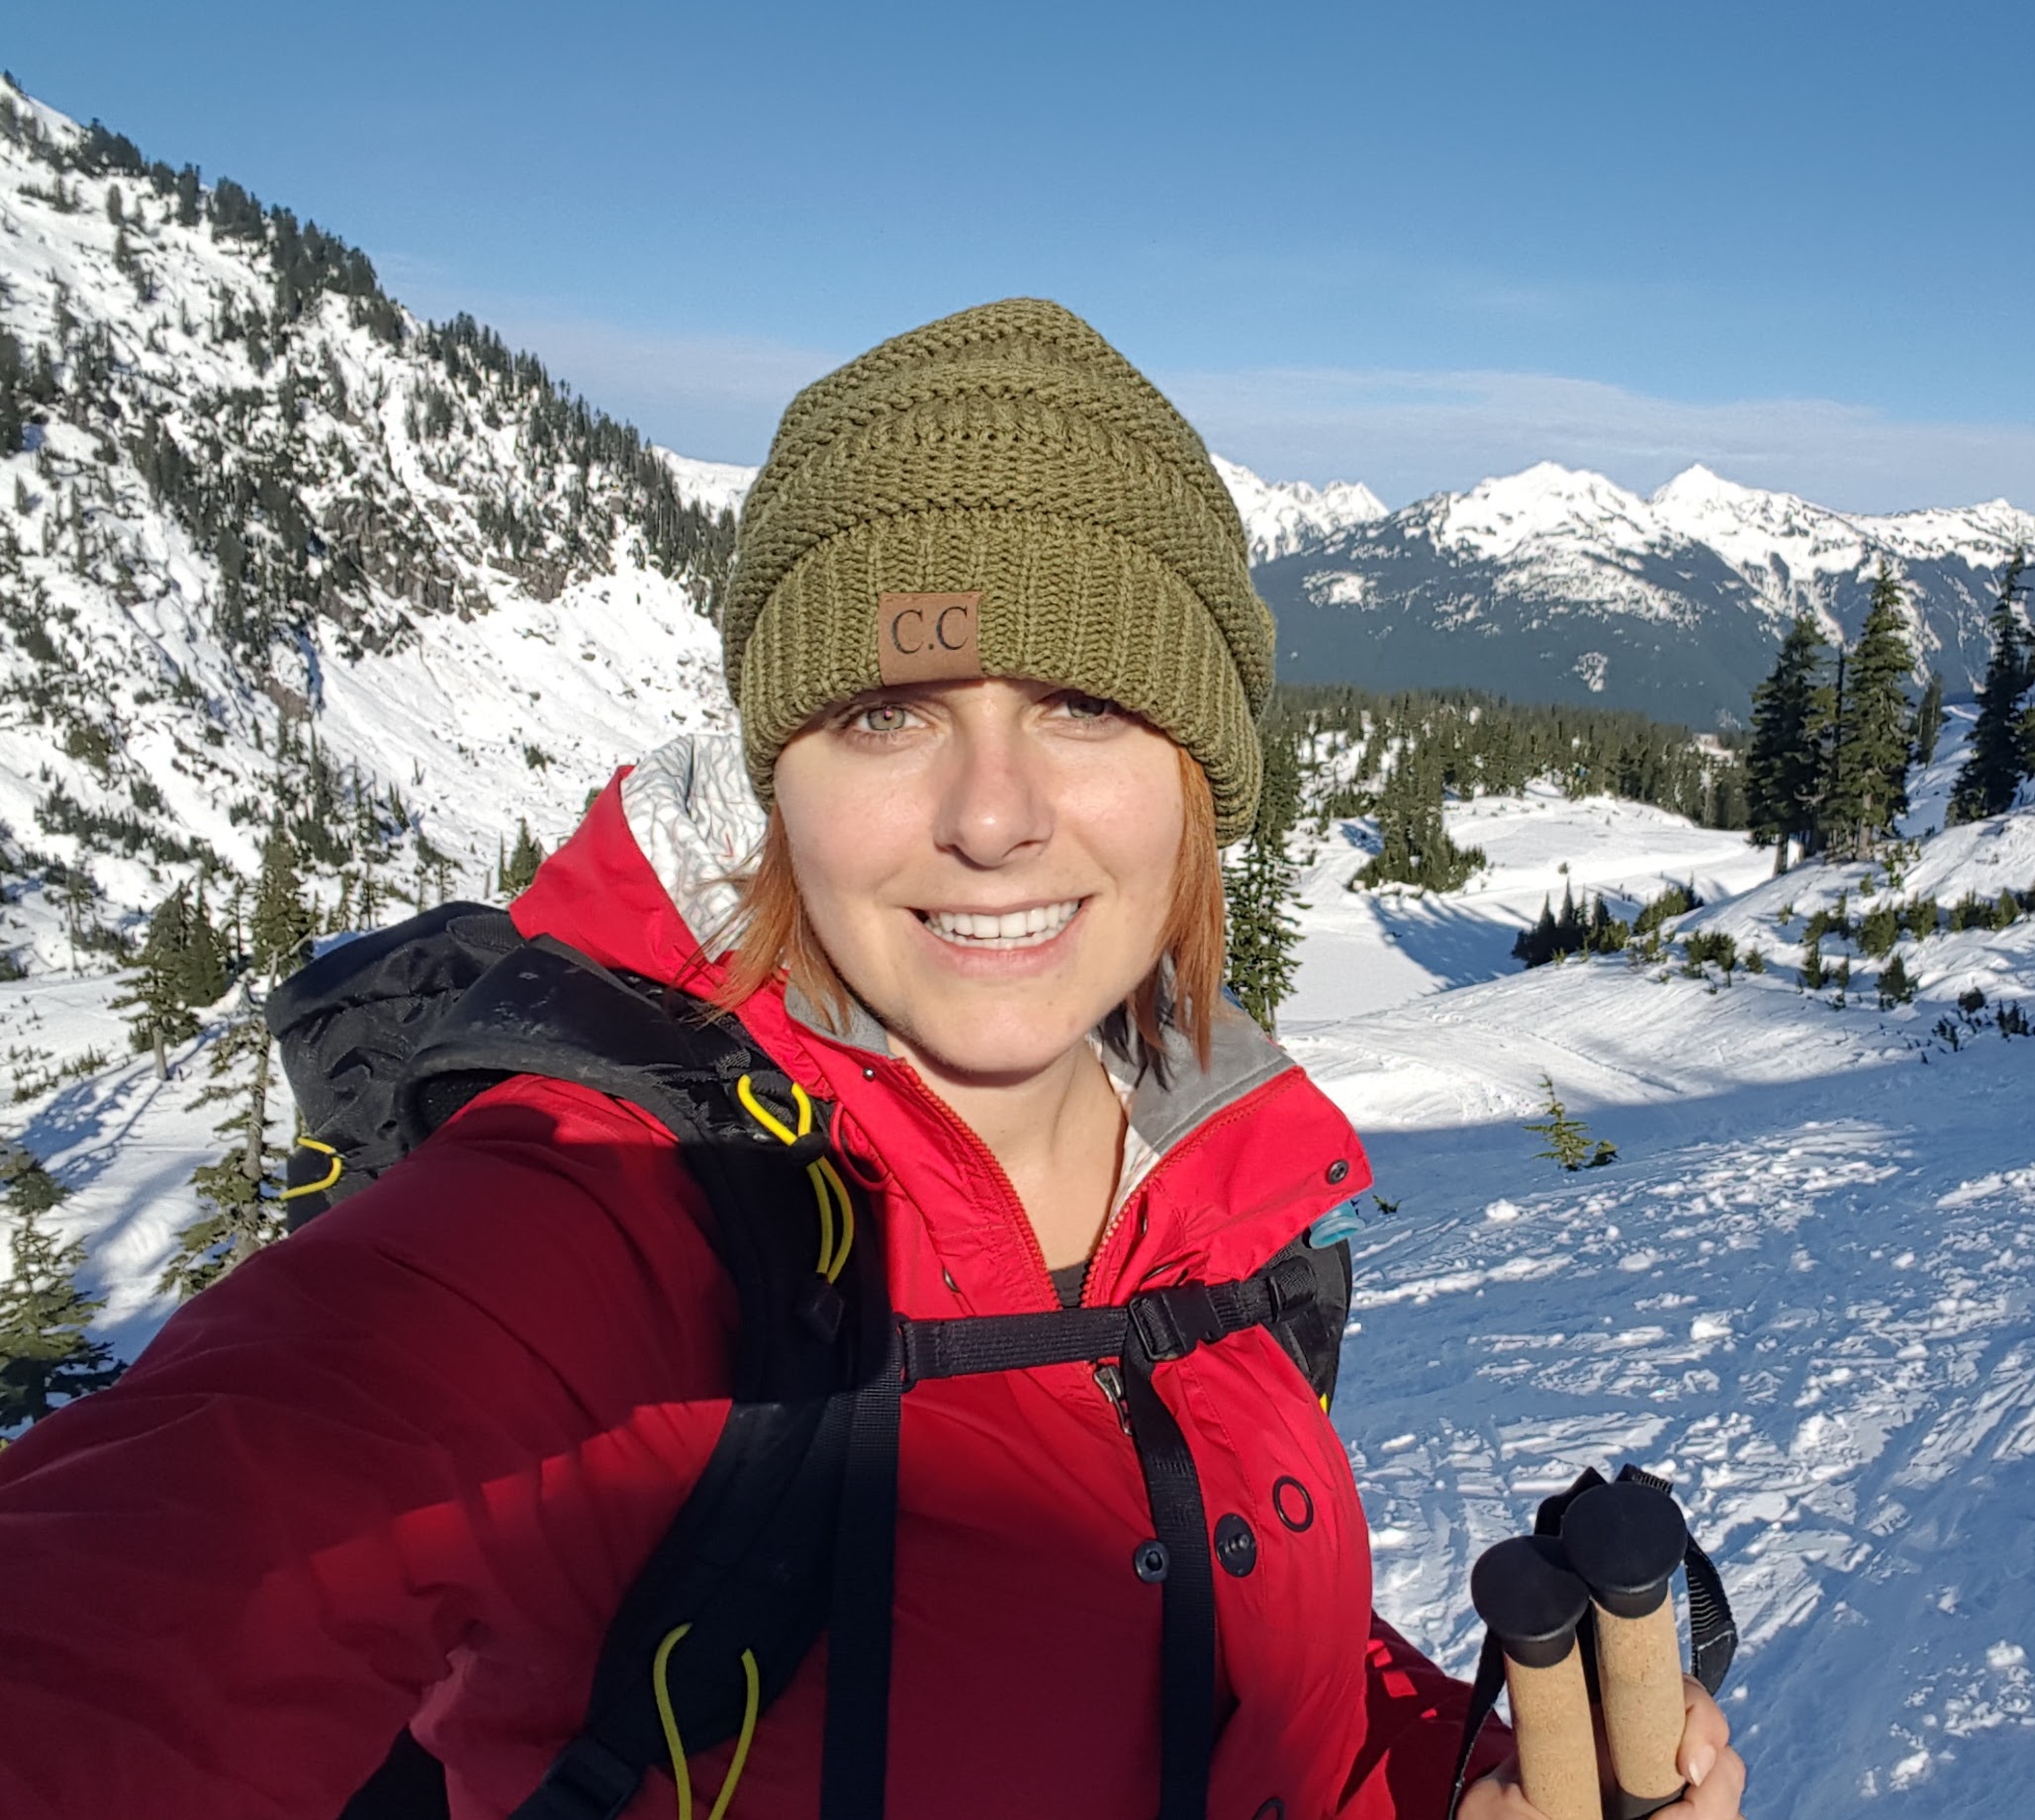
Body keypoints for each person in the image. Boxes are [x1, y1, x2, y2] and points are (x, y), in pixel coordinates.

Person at [0, 299, 1745, 1820]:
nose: (992, 818)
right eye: (885, 712)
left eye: (1087, 703)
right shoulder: (622, 1208)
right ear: (780, 781)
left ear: (1203, 781)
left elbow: (1205, 1693)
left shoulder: (1218, 1202)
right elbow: (163, 1577)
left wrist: (1463, 1778)